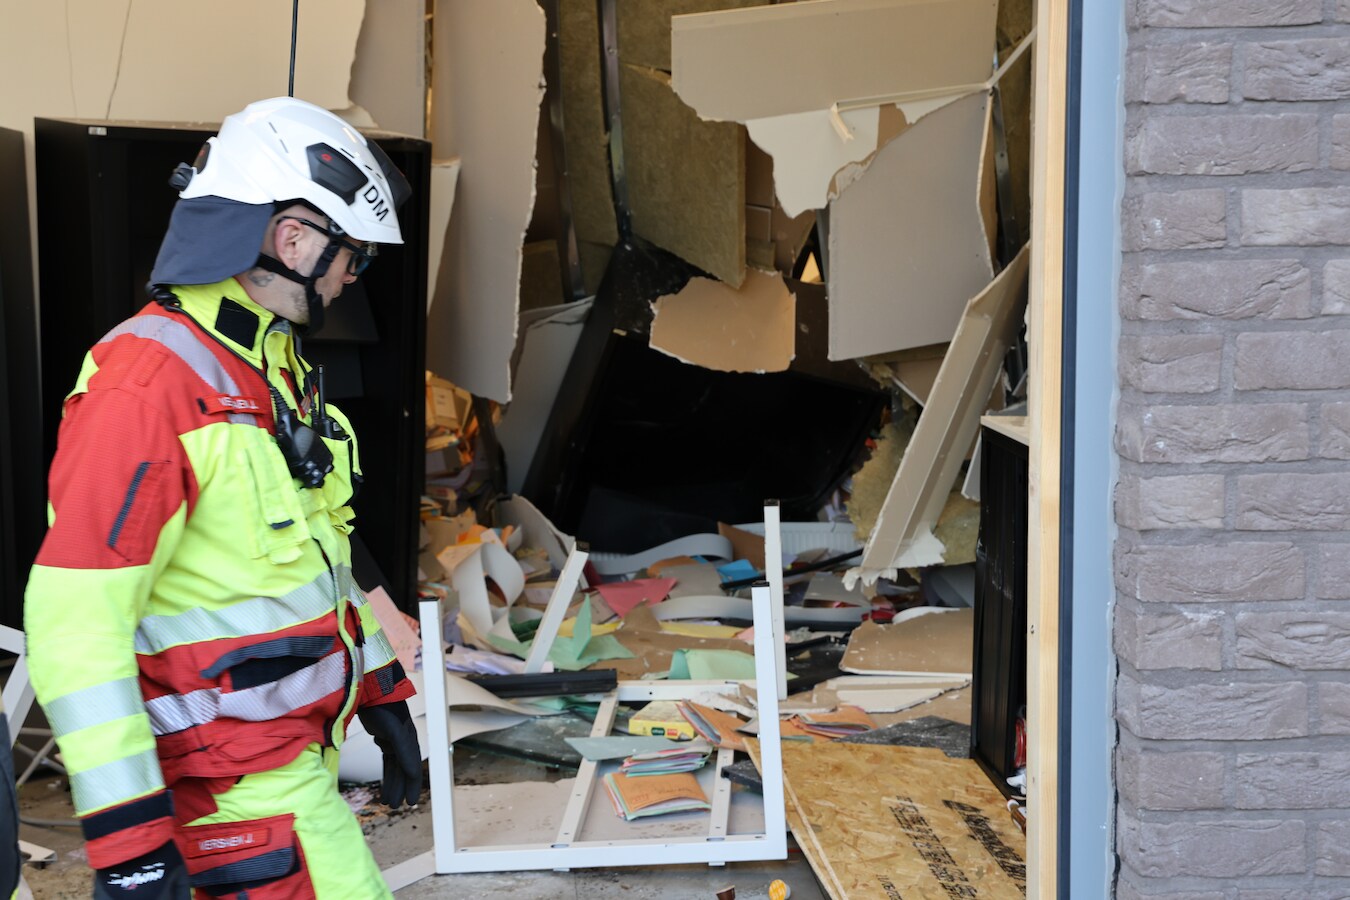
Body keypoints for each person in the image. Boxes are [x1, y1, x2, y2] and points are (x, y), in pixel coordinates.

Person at [23, 97, 421, 899]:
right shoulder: (146, 386)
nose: (353, 276)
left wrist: (378, 686)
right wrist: (128, 843)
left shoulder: (271, 368)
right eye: (354, 256)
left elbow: (313, 557)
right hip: (231, 793)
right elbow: (74, 628)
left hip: (291, 769)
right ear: (293, 238)